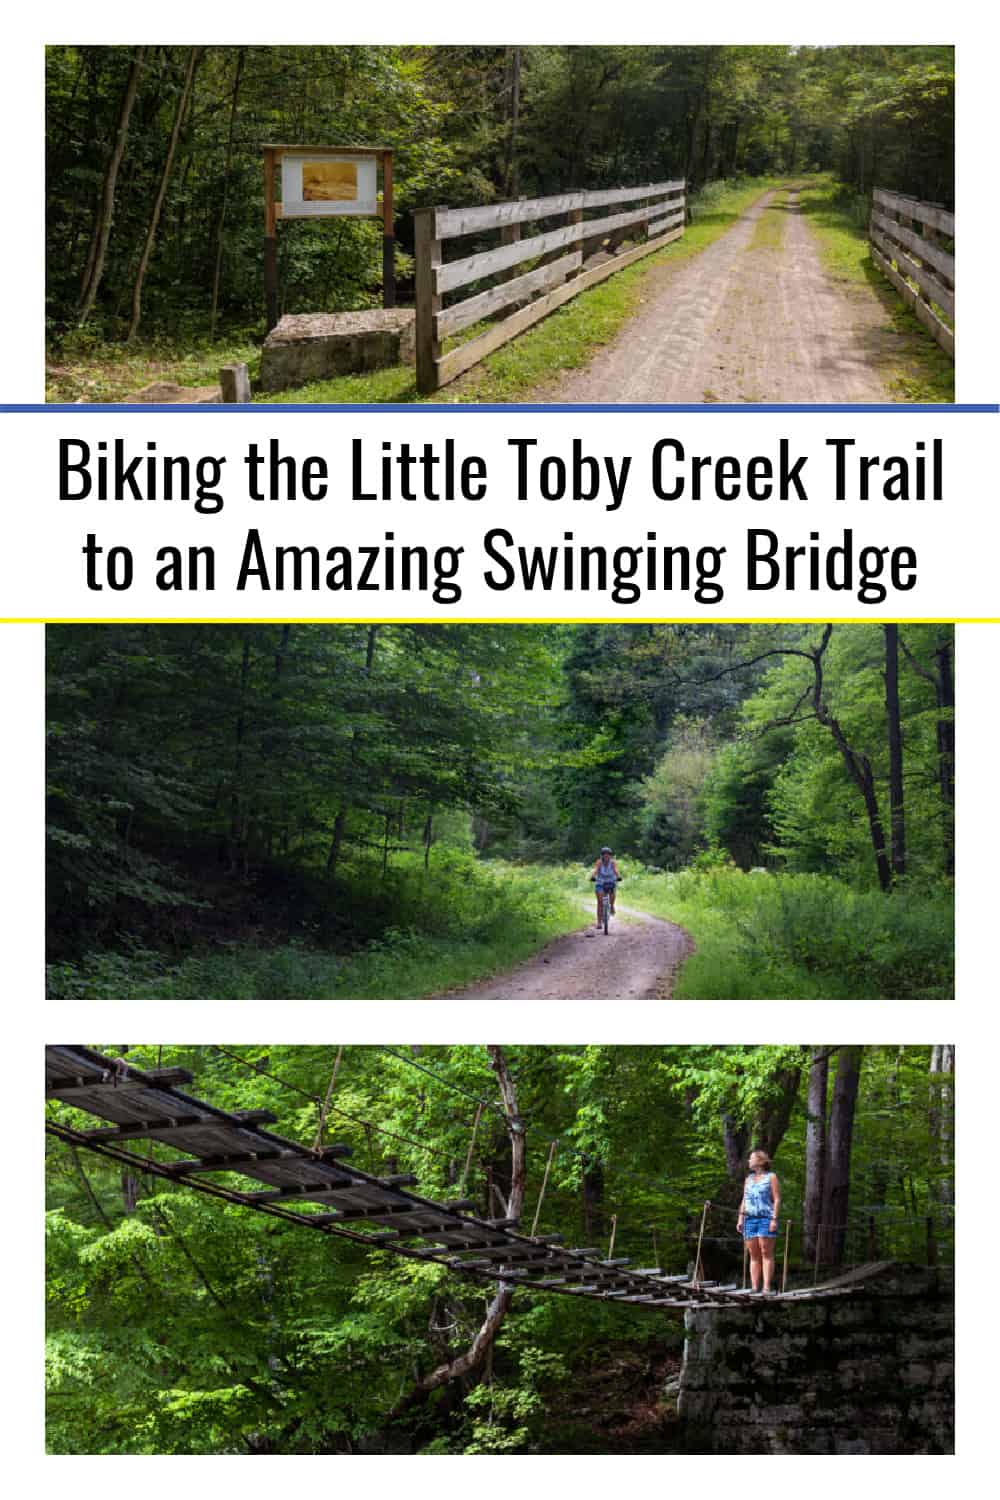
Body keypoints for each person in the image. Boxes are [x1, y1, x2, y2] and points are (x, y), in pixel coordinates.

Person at [736, 1148, 781, 1294]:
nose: (749, 1161)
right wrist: (740, 1218)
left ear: (760, 1161)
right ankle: (755, 1287)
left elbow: (777, 1199)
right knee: (753, 1255)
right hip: (749, 1219)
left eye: (751, 1158)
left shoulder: (771, 1177)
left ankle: (766, 1287)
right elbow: (744, 1199)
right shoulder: (748, 1179)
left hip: (766, 1219)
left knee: (766, 1252)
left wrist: (774, 1219)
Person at [590, 846, 622, 927]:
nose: (606, 856)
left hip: (611, 882)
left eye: (608, 854)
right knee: (600, 902)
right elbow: (596, 870)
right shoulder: (599, 862)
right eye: (604, 854)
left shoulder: (613, 862)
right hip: (600, 882)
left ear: (610, 855)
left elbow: (615, 870)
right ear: (602, 855)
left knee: (612, 895)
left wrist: (618, 876)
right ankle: (599, 922)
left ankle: (611, 906)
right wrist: (593, 876)